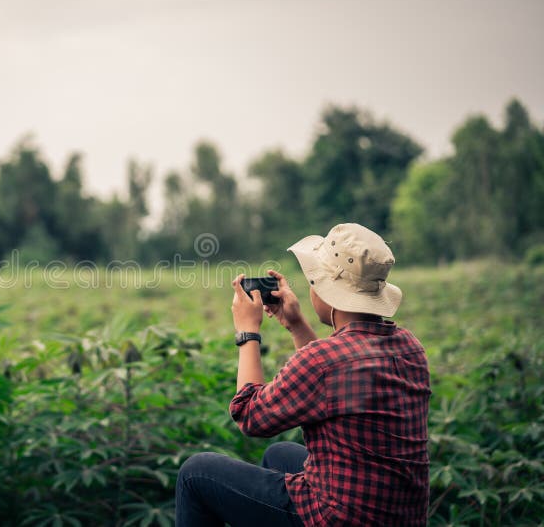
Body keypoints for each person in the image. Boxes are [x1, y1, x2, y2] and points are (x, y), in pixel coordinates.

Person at [175, 223, 431, 526]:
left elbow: (250, 416)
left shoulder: (323, 361)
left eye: (315, 282)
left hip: (340, 518)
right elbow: (335, 377)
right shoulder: (410, 346)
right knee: (281, 455)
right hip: (397, 515)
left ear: (328, 292)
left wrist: (248, 332)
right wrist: (296, 325)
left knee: (196, 473)